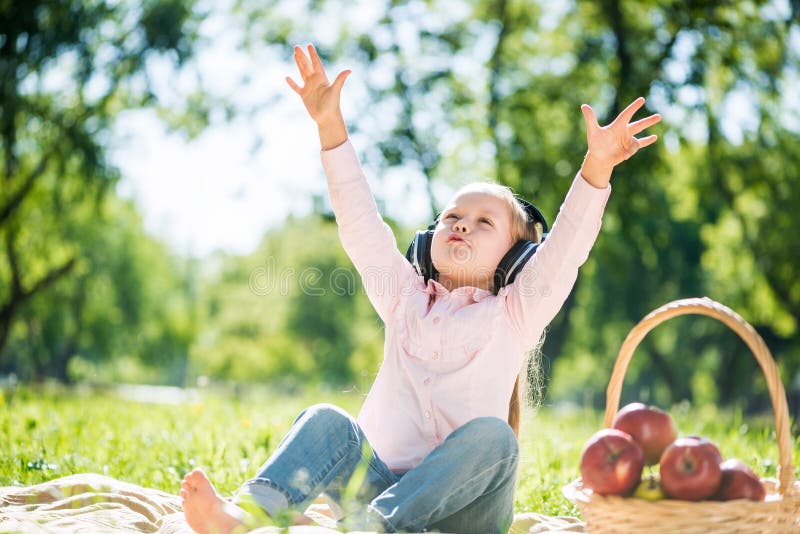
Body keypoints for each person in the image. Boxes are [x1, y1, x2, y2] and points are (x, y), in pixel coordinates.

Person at [180, 43, 661, 534]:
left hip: (467, 514)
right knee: (325, 419)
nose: (462, 226)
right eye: (452, 217)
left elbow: (566, 250)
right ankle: (244, 517)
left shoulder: (516, 312)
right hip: (378, 493)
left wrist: (596, 169)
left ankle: (368, 529)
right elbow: (360, 222)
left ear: (515, 258)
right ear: (427, 241)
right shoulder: (403, 298)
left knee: (495, 438)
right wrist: (330, 128)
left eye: (483, 222)